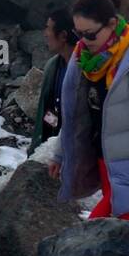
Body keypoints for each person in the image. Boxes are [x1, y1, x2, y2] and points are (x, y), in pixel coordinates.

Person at [49, 0, 129, 231]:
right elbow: (74, 112)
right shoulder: (84, 57)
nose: (83, 41)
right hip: (103, 156)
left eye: (90, 34)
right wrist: (60, 154)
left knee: (105, 229)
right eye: (78, 34)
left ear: (112, 24)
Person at [29, 8, 78, 154]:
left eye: (48, 28)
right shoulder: (53, 66)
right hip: (52, 148)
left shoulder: (85, 69)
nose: (45, 34)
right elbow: (48, 111)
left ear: (63, 35)